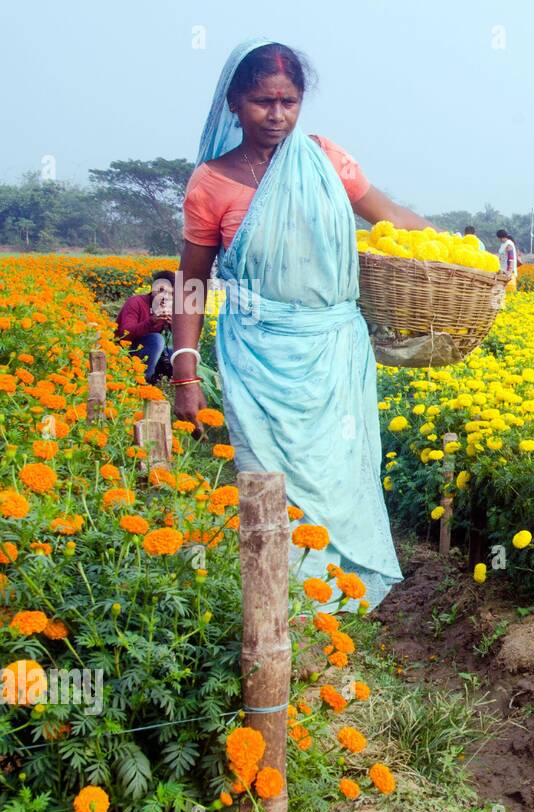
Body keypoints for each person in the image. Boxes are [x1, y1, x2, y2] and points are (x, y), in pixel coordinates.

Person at [173, 39, 438, 608]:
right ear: (235, 104)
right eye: (263, 102)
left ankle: (339, 609)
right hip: (257, 359)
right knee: (267, 483)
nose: (277, 115)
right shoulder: (211, 183)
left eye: (289, 101)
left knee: (339, 479)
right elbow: (191, 282)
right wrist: (185, 372)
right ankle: (278, 609)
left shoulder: (324, 161)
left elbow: (392, 219)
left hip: (333, 355)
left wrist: (463, 255)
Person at [115, 270, 176, 382]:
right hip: (125, 351)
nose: (164, 297)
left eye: (170, 293)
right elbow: (124, 334)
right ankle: (142, 381)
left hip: (148, 353)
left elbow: (181, 339)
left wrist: (173, 326)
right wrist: (152, 321)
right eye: (161, 290)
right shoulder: (136, 302)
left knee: (178, 353)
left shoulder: (170, 307)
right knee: (156, 339)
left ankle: (170, 384)